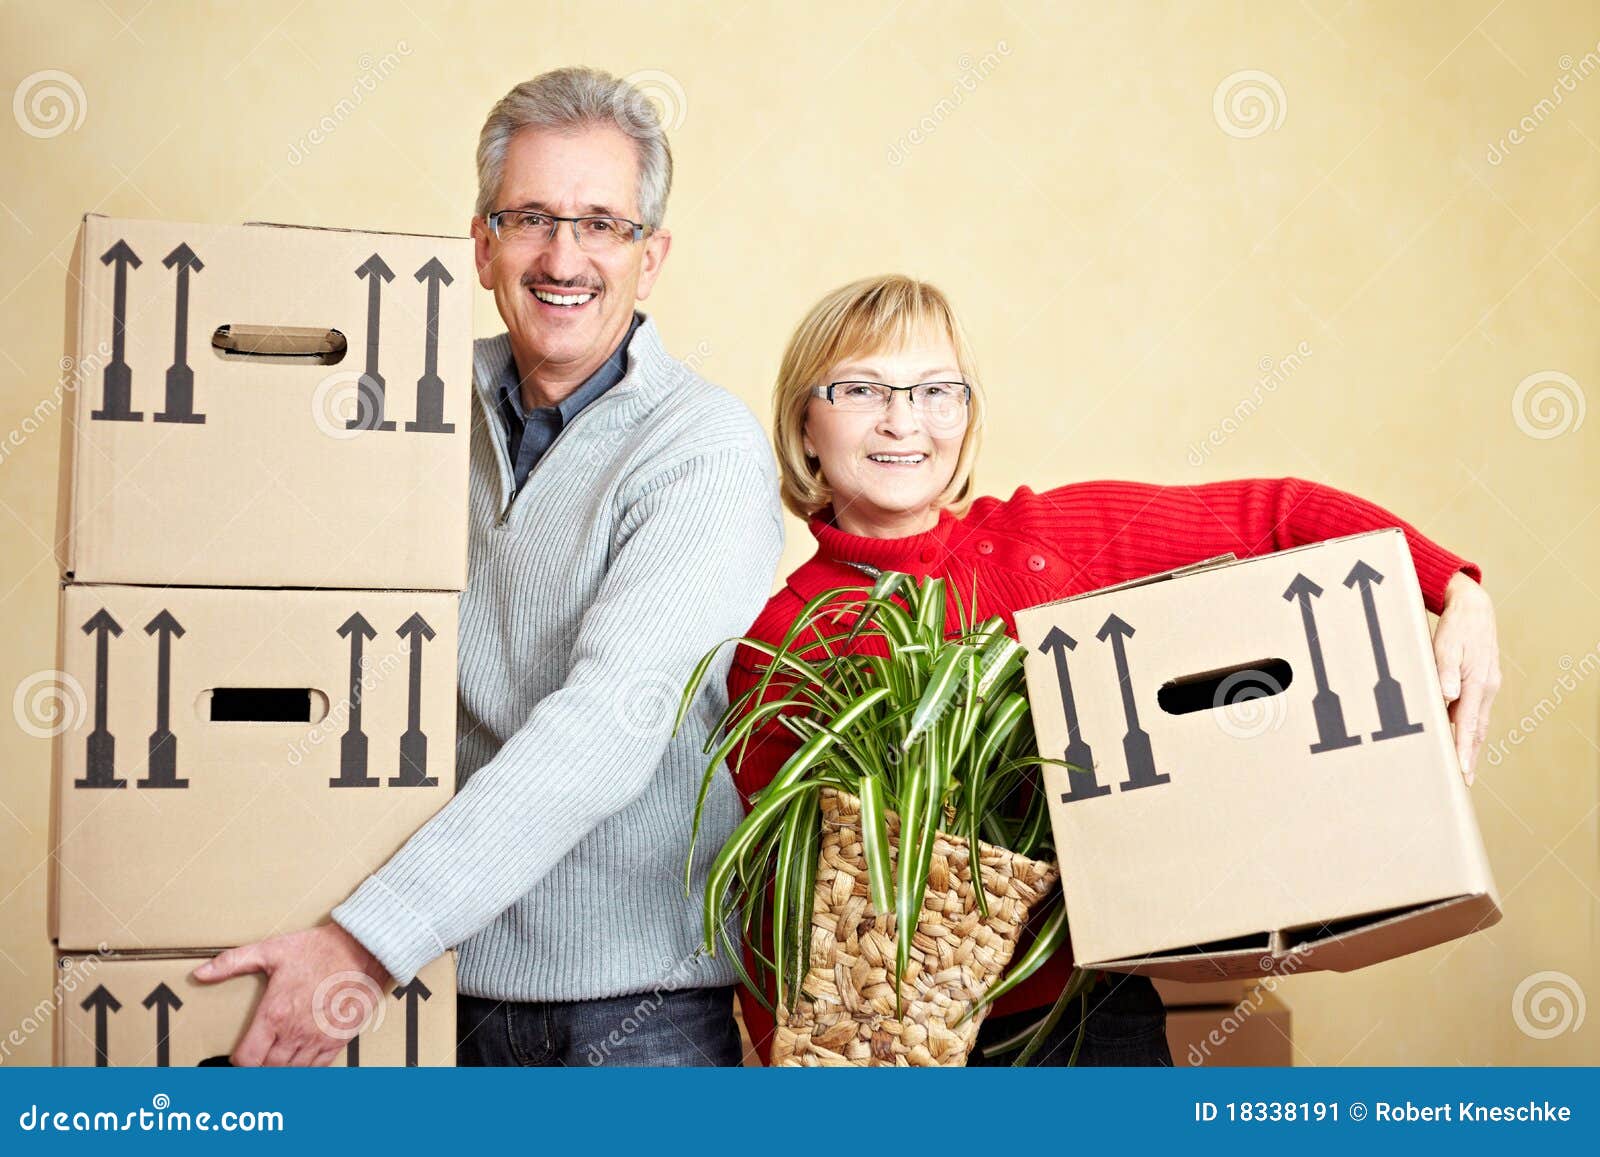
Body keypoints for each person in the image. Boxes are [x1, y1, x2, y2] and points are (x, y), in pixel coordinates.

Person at [726, 274, 1501, 1066]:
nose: (904, 420)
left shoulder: (1042, 541)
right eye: (861, 389)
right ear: (806, 424)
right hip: (897, 1042)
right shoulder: (785, 639)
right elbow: (780, 903)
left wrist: (1456, 587)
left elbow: (1276, 512)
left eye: (935, 391)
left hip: (1085, 1015)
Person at [193, 68, 784, 1067]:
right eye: (532, 219)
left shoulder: (702, 448)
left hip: (633, 1016)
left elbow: (609, 724)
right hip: (436, 987)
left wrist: (364, 940)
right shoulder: (401, 403)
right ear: (480, 245)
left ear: (652, 256)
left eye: (602, 223)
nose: (564, 256)